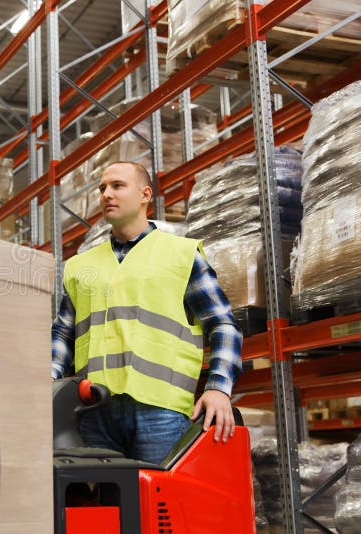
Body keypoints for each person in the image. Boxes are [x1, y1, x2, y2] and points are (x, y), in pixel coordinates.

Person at [51, 161, 243, 464]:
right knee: (105, 508)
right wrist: (48, 383)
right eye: (102, 188)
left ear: (145, 195)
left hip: (160, 411)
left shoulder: (181, 255)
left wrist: (219, 388)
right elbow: (62, 333)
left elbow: (222, 325)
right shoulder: (79, 266)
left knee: (160, 505)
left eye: (117, 186)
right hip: (93, 411)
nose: (106, 194)